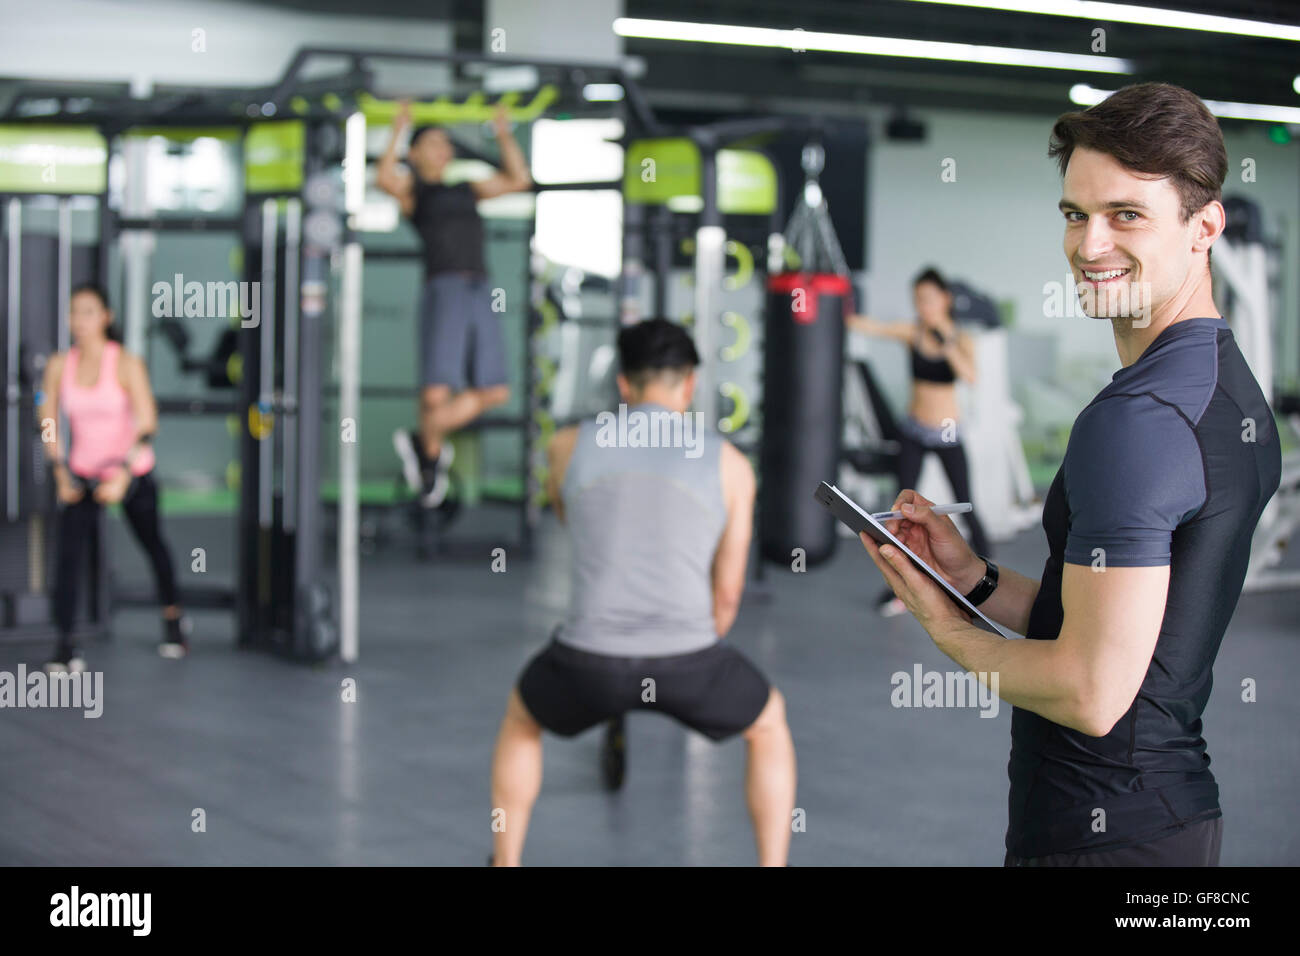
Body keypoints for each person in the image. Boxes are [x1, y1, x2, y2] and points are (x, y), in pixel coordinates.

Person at [860, 82, 1281, 867]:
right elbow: (1123, 624)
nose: (1089, 246)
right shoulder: (1226, 388)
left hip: (1103, 834)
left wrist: (946, 626)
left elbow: (1090, 691)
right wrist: (974, 577)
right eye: (1074, 214)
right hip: (1168, 818)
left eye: (1127, 215)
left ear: (1205, 226)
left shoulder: (1140, 420)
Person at [488, 318, 796, 866]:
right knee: (768, 721)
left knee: (522, 717)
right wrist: (694, 649)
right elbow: (727, 593)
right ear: (689, 384)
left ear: (624, 385)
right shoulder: (730, 464)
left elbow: (571, 518)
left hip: (587, 663)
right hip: (688, 663)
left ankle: (506, 861)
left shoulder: (565, 445)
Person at [377, 101, 532, 507]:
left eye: (446, 143)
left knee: (495, 391)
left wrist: (502, 132)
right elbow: (383, 177)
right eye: (432, 143)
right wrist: (399, 127)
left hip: (480, 288)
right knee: (434, 396)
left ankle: (423, 441)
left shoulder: (466, 189)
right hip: (443, 288)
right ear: (415, 154)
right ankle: (429, 456)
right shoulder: (414, 192)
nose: (443, 150)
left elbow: (519, 179)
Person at [39, 283, 190, 670]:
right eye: (74, 313)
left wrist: (123, 473)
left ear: (106, 317)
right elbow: (49, 419)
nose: (80, 321)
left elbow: (147, 422)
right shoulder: (60, 365)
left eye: (89, 312)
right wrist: (58, 468)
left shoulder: (125, 363)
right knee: (69, 555)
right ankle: (66, 642)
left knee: (152, 543)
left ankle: (173, 620)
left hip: (129, 470)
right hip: (83, 473)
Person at [845, 268, 992, 616]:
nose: (922, 306)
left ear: (945, 299)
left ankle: (987, 581)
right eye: (917, 300)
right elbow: (873, 327)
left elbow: (971, 377)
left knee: (965, 501)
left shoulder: (961, 338)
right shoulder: (912, 332)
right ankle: (899, 585)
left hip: (946, 431)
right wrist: (837, 304)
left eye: (927, 298)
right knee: (901, 508)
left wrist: (946, 340)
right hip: (912, 429)